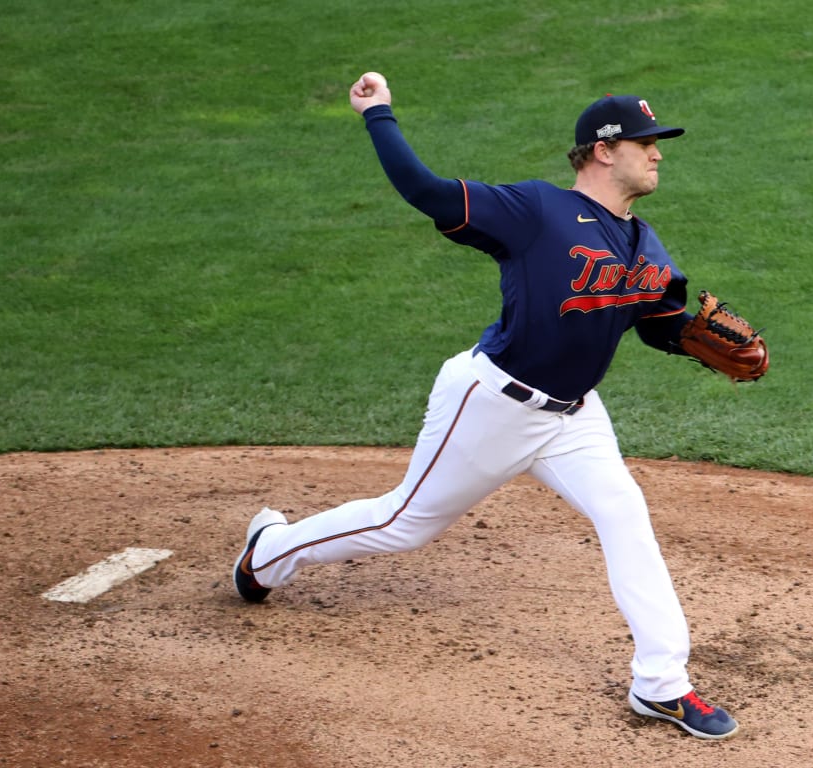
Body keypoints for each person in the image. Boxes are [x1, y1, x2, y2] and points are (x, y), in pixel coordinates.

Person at [231, 71, 741, 740]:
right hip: (491, 404)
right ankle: (269, 552)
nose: (658, 152)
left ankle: (662, 684)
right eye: (646, 142)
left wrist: (693, 341)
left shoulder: (647, 245)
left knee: (623, 510)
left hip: (574, 417)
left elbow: (657, 321)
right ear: (603, 150)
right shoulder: (535, 211)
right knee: (404, 524)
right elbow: (428, 192)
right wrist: (379, 113)